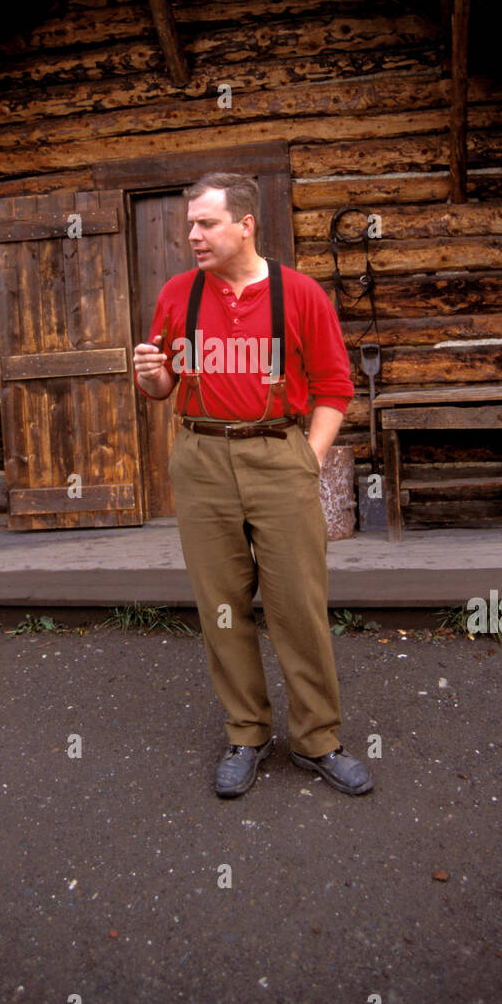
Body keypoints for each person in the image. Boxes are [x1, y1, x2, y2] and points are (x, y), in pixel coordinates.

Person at [133, 172, 372, 800]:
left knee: (298, 604)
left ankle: (318, 739)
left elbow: (335, 387)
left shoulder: (299, 294)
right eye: (190, 225)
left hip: (279, 455)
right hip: (201, 457)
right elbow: (164, 390)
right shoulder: (177, 294)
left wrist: (308, 460)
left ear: (245, 225)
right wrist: (150, 377)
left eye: (206, 223)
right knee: (221, 605)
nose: (192, 236)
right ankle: (247, 732)